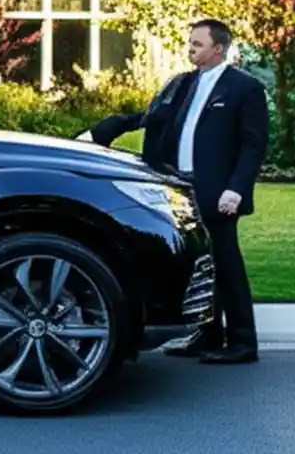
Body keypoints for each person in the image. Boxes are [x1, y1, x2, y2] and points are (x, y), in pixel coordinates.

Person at [85, 19, 269, 364]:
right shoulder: (185, 84)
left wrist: (236, 190)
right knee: (199, 265)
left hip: (218, 192)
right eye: (190, 43)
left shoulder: (244, 88)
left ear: (218, 49)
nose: (190, 49)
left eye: (197, 44)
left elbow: (252, 146)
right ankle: (208, 336)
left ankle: (243, 342)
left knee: (226, 265)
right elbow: (153, 117)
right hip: (180, 187)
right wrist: (106, 130)